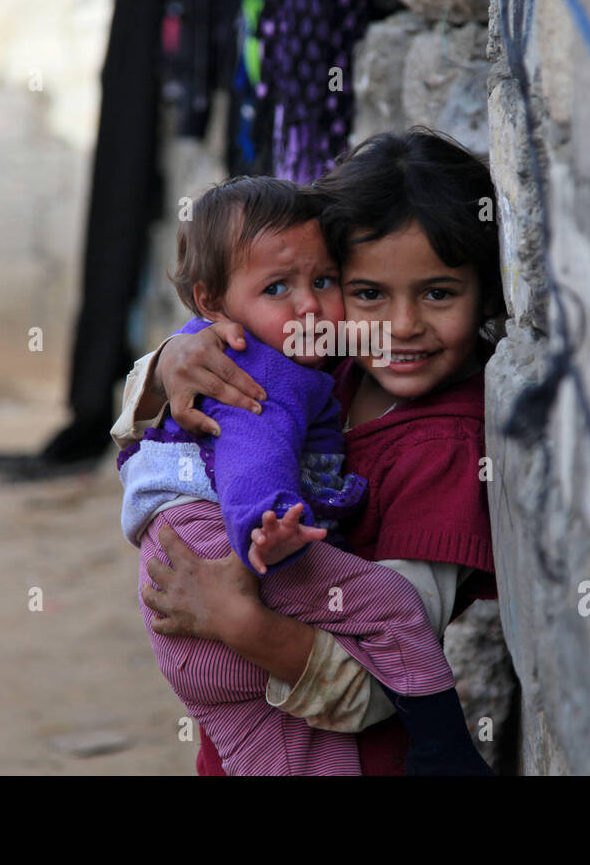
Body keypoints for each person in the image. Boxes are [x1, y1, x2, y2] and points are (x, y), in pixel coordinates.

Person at [123, 129, 505, 774]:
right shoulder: (328, 364)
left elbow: (384, 681)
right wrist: (168, 364)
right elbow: (159, 417)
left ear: (487, 294)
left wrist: (238, 623)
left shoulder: (445, 449)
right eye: (368, 293)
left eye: (438, 292)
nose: (402, 326)